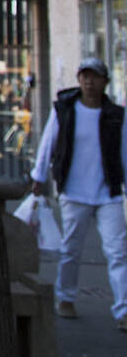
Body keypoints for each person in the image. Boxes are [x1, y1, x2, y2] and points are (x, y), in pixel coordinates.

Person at [30, 57, 127, 328]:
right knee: (71, 249)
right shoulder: (65, 110)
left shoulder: (116, 116)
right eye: (84, 76)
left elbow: (124, 152)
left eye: (94, 76)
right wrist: (38, 176)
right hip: (73, 192)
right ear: (78, 79)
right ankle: (66, 298)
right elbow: (48, 143)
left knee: (118, 251)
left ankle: (123, 310)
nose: (89, 81)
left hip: (108, 193)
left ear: (105, 82)